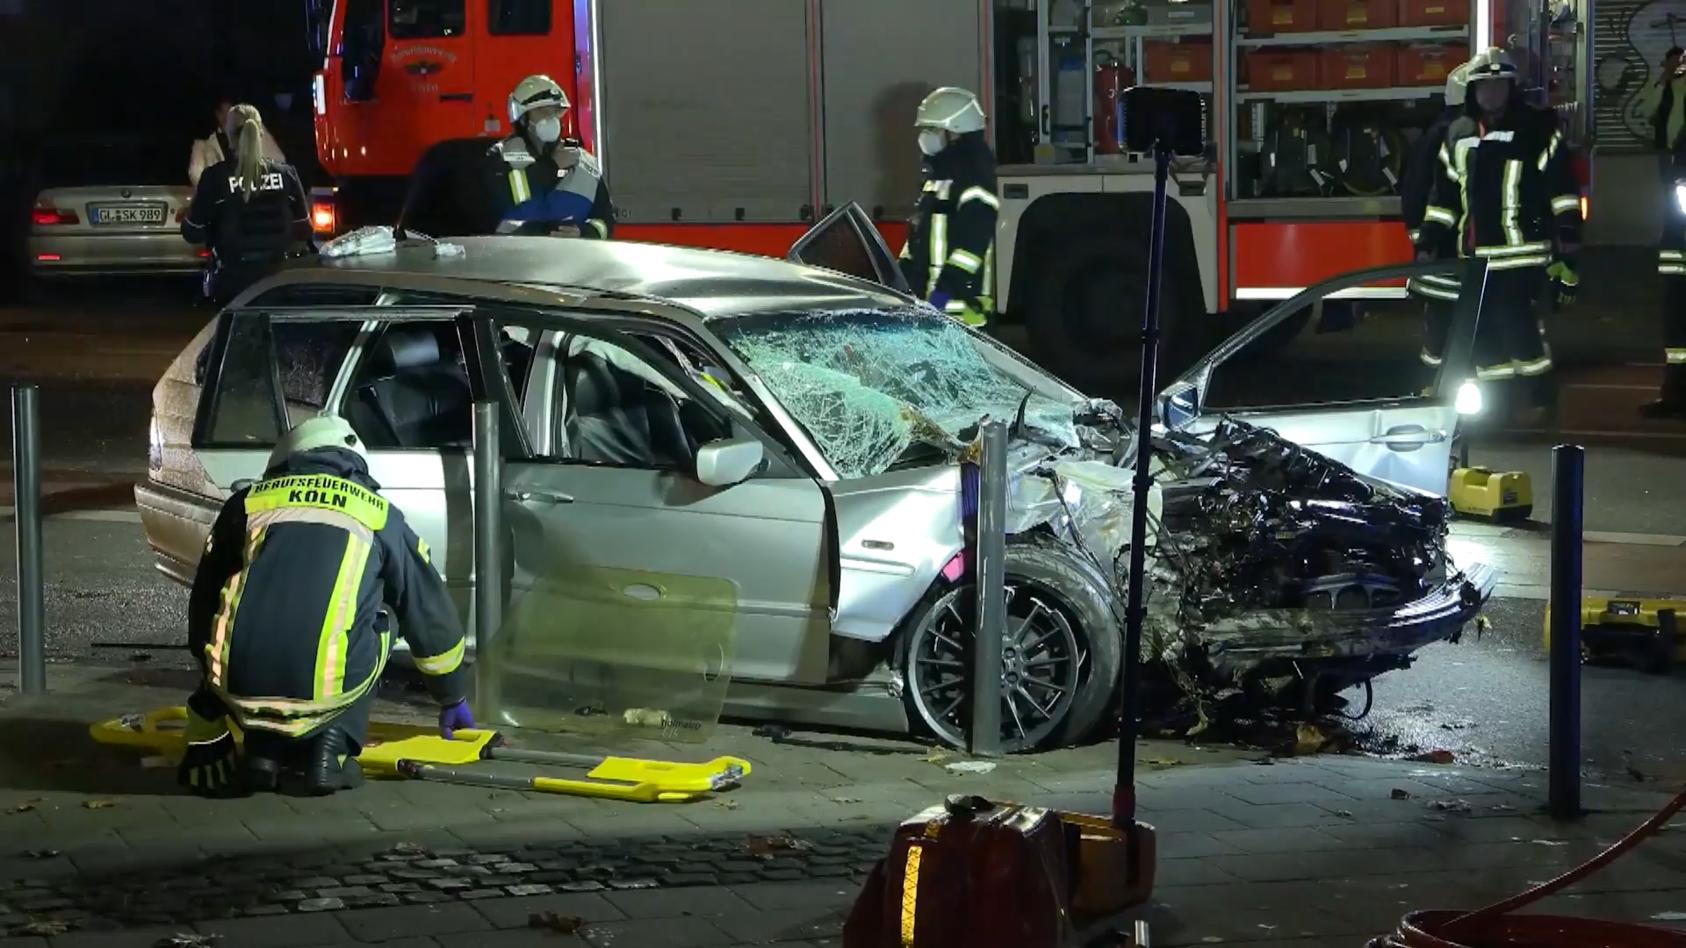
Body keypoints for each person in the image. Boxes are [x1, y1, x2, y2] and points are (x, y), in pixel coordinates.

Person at [178, 415, 474, 797]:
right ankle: (334, 747)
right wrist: (452, 695)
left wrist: (207, 709)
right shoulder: (378, 514)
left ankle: (263, 754)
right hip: (329, 689)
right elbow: (428, 612)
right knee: (381, 612)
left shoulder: (247, 504)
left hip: (236, 690)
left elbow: (205, 606)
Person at [1417, 48, 1581, 423]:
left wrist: (1568, 239)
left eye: (1498, 85)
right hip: (1473, 258)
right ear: (1472, 91)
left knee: (1520, 331)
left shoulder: (1535, 131)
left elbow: (1562, 190)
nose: (1491, 92)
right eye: (1483, 85)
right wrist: (1429, 239)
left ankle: (1541, 399)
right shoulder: (1457, 134)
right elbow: (1443, 197)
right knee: (1484, 336)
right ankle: (1499, 405)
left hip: (1519, 255)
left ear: (1511, 87)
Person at [181, 104, 310, 305]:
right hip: (279, 282)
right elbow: (304, 229)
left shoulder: (215, 178)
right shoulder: (286, 174)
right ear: (260, 133)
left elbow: (192, 231)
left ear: (229, 136)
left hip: (233, 284)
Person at [898, 86, 999, 328]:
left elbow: (969, 253)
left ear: (955, 134)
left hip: (963, 321)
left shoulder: (976, 183)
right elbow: (917, 243)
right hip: (932, 316)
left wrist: (938, 301)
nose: (925, 136)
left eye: (933, 129)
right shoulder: (939, 180)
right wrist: (897, 282)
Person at [1401, 60, 1472, 368]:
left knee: (1442, 338)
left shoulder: (1446, 133)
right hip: (1446, 260)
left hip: (1445, 259)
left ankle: (1437, 388)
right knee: (1448, 336)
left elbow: (1415, 194)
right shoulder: (1449, 136)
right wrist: (1427, 242)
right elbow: (1424, 194)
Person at [487, 75, 613, 238]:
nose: (551, 117)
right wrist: (551, 166)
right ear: (523, 118)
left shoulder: (583, 160)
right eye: (541, 110)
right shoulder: (499, 156)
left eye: (555, 110)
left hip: (571, 258)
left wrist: (585, 233)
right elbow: (497, 201)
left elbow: (605, 221)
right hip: (515, 257)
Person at [1648, 157, 1686, 419]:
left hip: (1679, 259)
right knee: (1676, 339)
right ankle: (1675, 395)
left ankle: (1676, 396)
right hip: (1677, 261)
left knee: (1677, 335)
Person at [189, 97, 287, 188]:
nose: (229, 117)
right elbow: (195, 175)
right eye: (224, 113)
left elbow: (279, 160)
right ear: (217, 115)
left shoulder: (257, 133)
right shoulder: (203, 145)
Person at [1636, 47, 1686, 185]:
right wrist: (1662, 83)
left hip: (1683, 145)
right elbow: (1646, 110)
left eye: (1680, 63)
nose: (1676, 67)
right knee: (1668, 187)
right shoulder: (1657, 85)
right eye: (1673, 63)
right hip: (1665, 146)